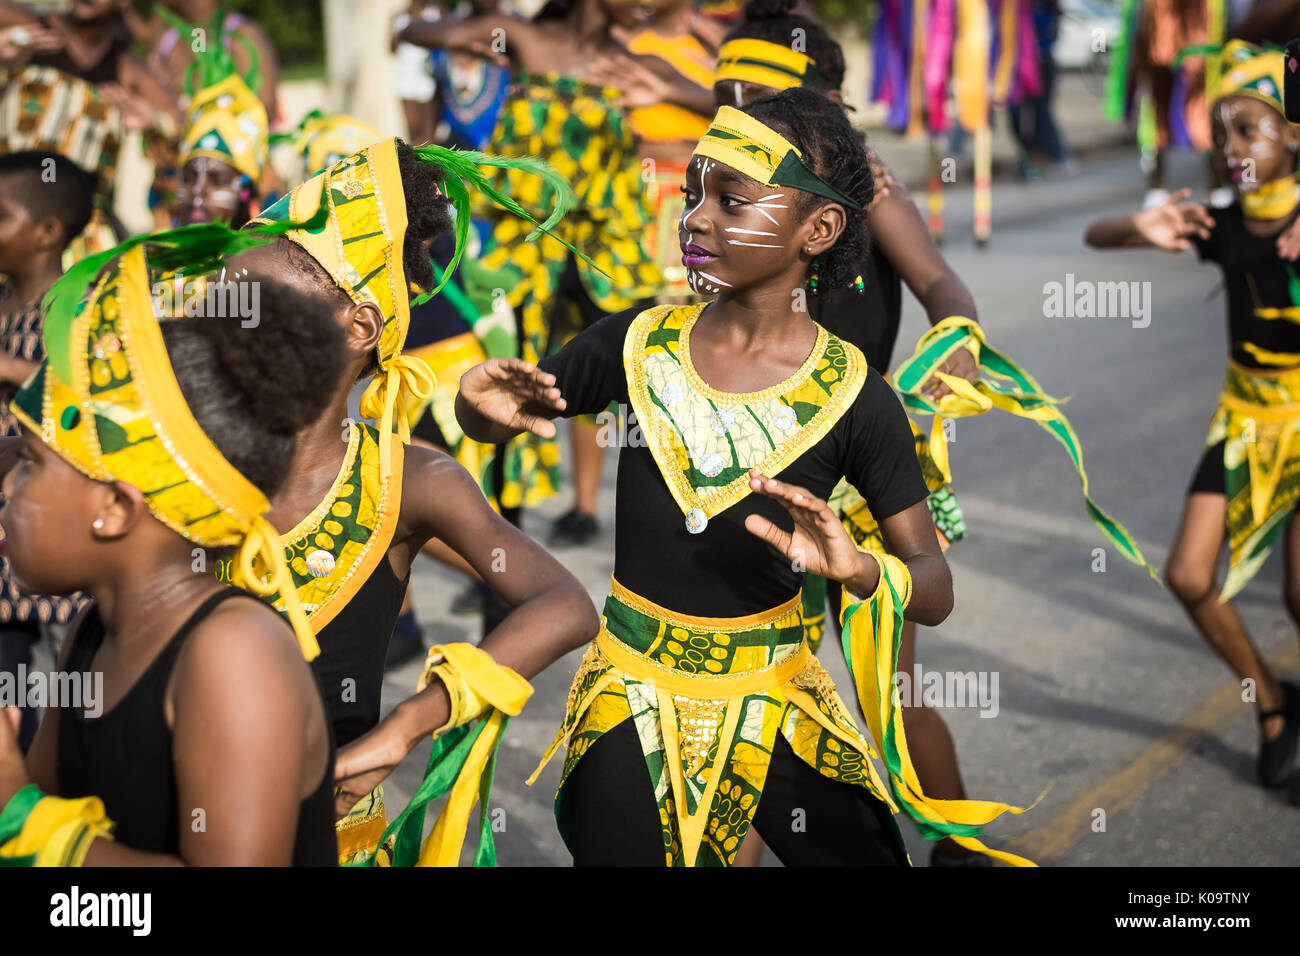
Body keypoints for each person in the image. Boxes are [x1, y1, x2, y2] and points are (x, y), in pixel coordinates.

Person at [456, 89, 1033, 866]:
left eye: (732, 201)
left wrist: (863, 569)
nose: (695, 218)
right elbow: (515, 411)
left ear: (819, 230)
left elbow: (934, 589)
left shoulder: (855, 398)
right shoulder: (634, 344)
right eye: (694, 193)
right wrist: (479, 410)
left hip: (778, 705)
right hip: (630, 701)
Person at [236, 136, 601, 864]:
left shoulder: (406, 480)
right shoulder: (186, 461)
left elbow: (565, 605)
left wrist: (413, 720)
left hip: (329, 835)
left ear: (359, 327)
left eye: (258, 308)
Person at [0, 221, 345, 865]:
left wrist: (17, 815)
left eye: (33, 463)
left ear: (114, 507)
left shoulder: (233, 655)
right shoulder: (92, 633)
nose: (10, 488)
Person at [1085, 40, 1300, 804]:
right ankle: (1274, 704)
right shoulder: (1222, 221)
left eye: (1250, 130)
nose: (1231, 148)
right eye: (1220, 133)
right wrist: (1141, 227)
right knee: (1185, 573)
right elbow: (1096, 235)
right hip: (1246, 419)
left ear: (1294, 133)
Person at [400, 0, 665, 537]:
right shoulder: (525, 39)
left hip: (605, 250)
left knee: (609, 376)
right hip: (522, 247)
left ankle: (587, 509)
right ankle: (499, 543)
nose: (648, 6)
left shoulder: (631, 62)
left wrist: (669, 96)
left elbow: (723, 95)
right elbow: (417, 31)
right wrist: (456, 37)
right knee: (512, 376)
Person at [0, 151, 96, 753]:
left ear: (47, 232)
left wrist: (10, 368)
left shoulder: (76, 309)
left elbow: (90, 401)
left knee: (74, 677)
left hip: (59, 525)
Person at [0, 0, 181, 260]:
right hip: (9, 205)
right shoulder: (29, 29)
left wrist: (156, 123)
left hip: (78, 233)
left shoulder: (129, 70)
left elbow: (184, 128)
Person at [172, 26, 269, 229]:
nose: (198, 191)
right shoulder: (156, 259)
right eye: (188, 178)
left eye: (218, 180)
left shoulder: (269, 258)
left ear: (245, 190)